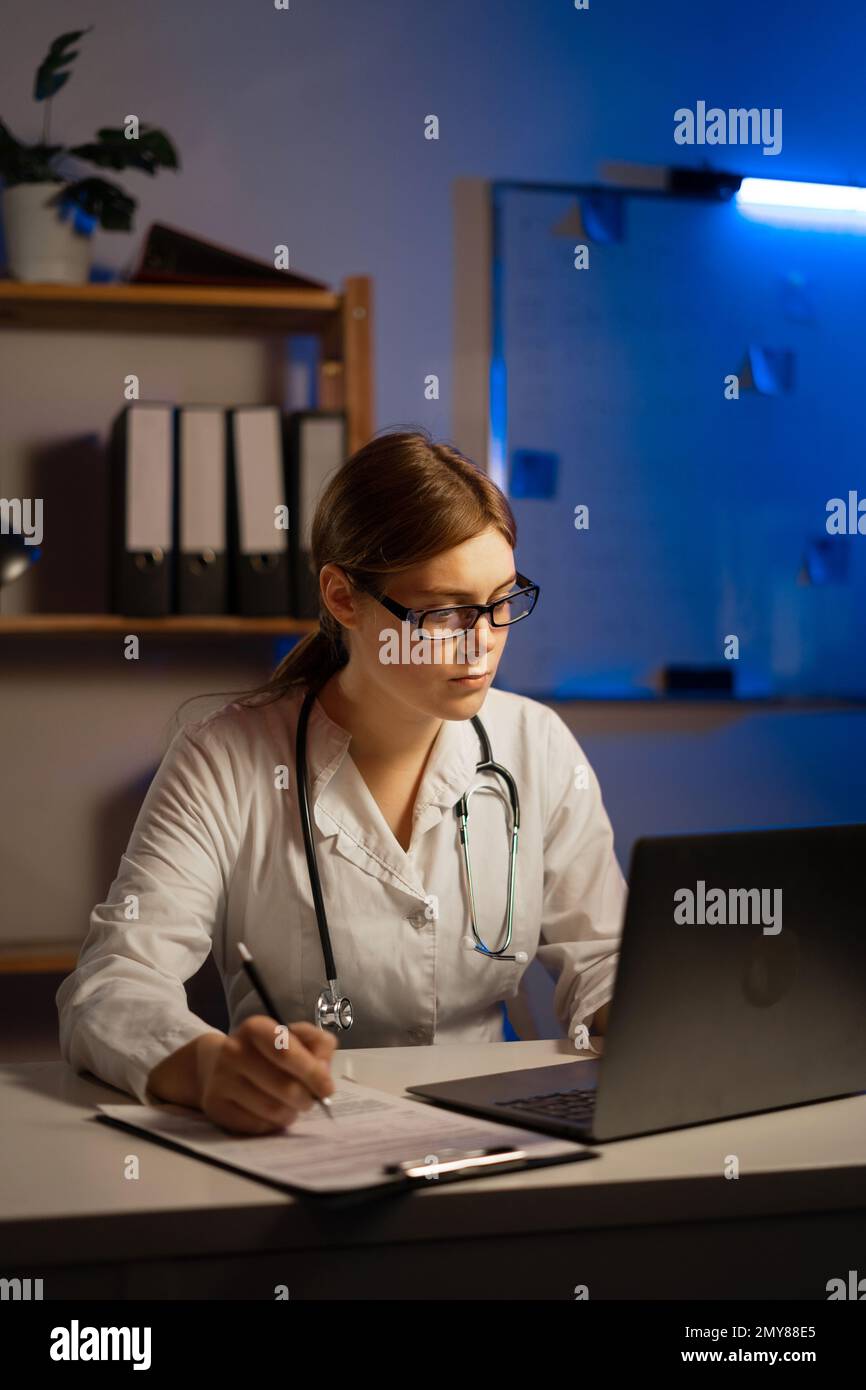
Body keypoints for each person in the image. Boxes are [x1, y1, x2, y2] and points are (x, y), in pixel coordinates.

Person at [57, 429, 625, 1135]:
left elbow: (601, 958)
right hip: (294, 1138)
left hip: (492, 1135)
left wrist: (644, 1009)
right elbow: (111, 986)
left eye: (503, 600)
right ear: (344, 598)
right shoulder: (225, 755)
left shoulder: (534, 743)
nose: (482, 641)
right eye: (445, 612)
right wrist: (204, 1068)